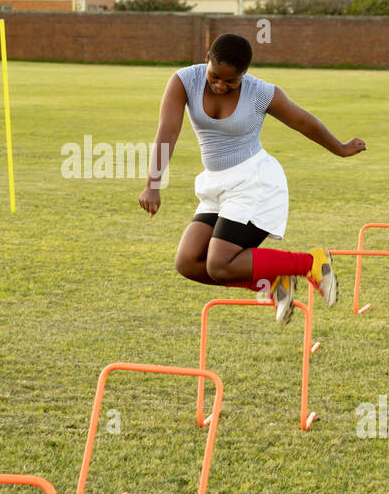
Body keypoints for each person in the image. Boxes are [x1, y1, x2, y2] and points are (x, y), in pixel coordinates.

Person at [138, 33, 366, 325]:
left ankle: (311, 263)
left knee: (219, 264)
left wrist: (342, 149)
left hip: (254, 183)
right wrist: (152, 184)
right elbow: (167, 131)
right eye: (215, 77)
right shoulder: (185, 81)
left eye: (230, 81)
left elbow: (303, 122)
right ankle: (271, 282)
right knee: (188, 262)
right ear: (206, 58)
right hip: (216, 185)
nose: (220, 86)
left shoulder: (260, 93)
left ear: (244, 74)